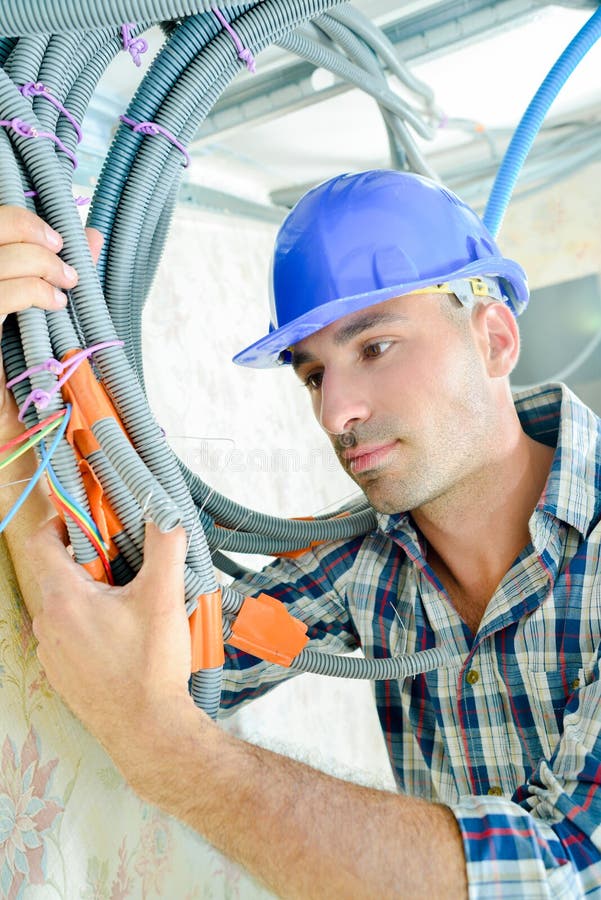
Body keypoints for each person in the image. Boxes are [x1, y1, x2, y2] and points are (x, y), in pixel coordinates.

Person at [0, 170, 599, 898]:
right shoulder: (364, 557)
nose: (335, 411)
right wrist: (20, 372)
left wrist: (174, 756)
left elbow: (569, 875)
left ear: (495, 339)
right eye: (313, 375)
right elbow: (133, 665)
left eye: (375, 347)